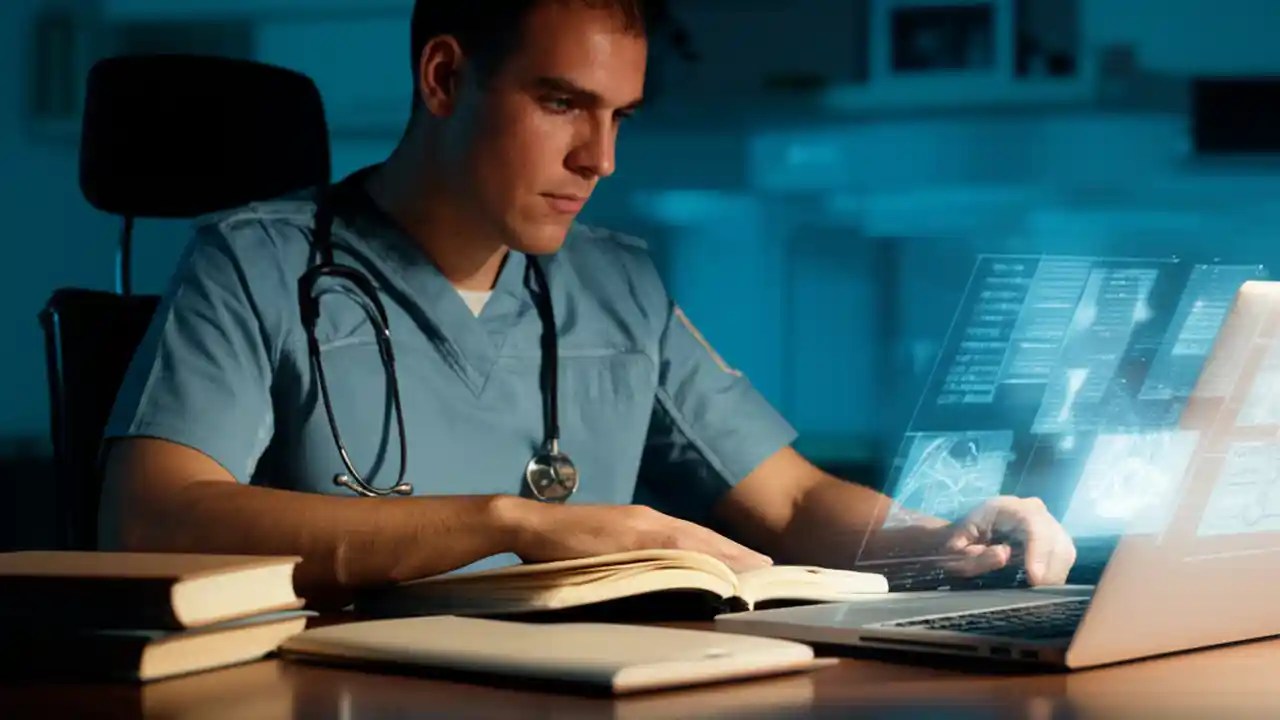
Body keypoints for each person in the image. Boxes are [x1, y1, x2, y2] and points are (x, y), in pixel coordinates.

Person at [98, 0, 1075, 608]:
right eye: (561, 103)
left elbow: (792, 500)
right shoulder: (252, 262)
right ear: (443, 78)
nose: (598, 160)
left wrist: (937, 534)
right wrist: (517, 524)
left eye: (618, 117)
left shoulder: (616, 284)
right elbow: (149, 520)